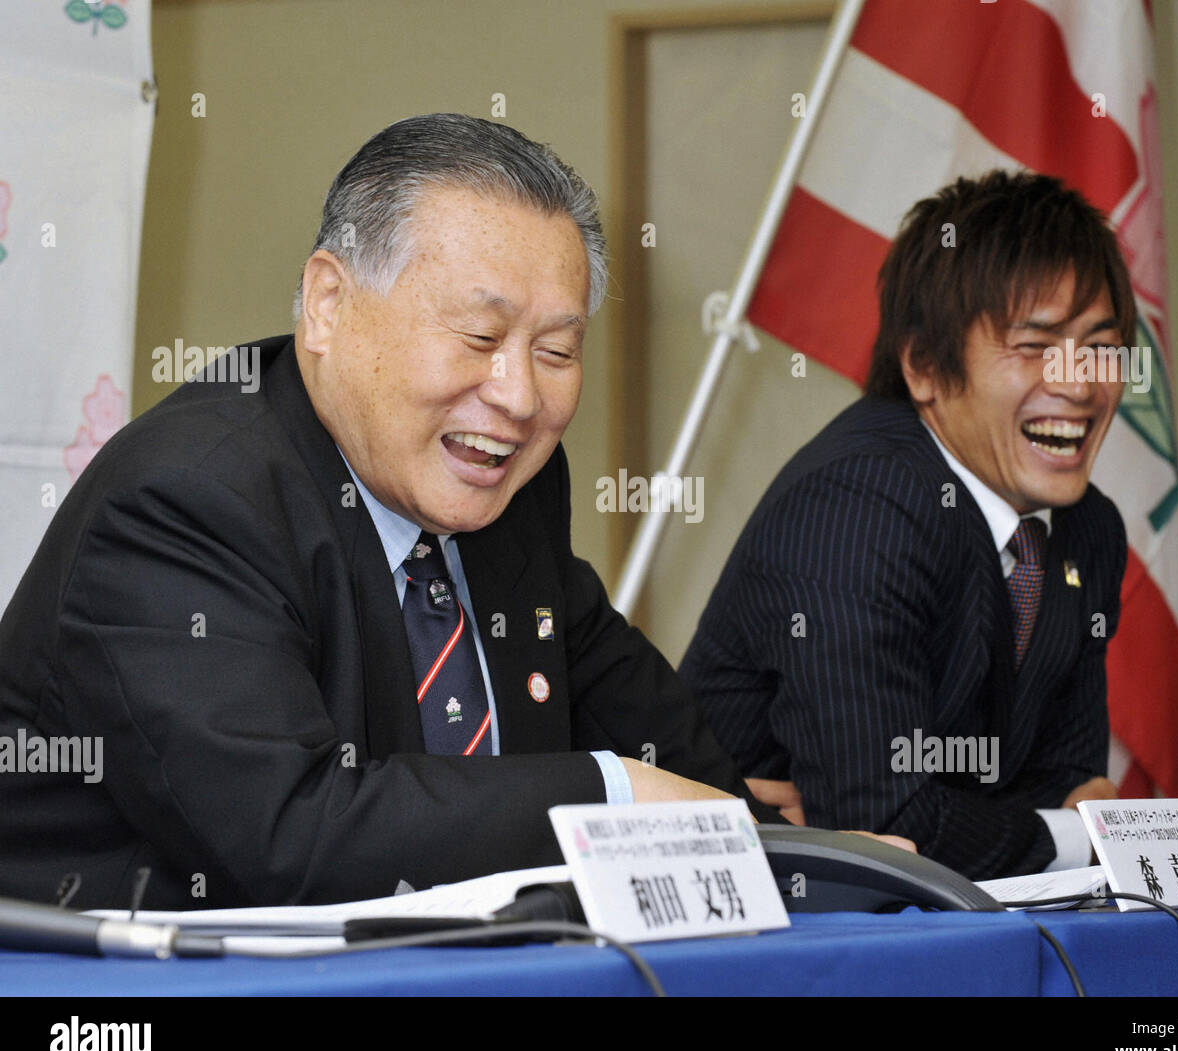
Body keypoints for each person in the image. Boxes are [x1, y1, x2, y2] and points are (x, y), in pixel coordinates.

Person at [0, 114, 788, 911]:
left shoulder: (498, 478)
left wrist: (809, 860)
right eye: (479, 334)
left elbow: (632, 711)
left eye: (555, 351)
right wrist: (611, 793)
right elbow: (293, 833)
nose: (517, 396)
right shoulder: (185, 501)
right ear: (330, 304)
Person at [679, 171, 1133, 880]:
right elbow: (885, 829)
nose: (1079, 383)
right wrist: (1076, 842)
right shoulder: (860, 501)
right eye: (1035, 346)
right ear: (924, 366)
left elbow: (1069, 781)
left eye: (1102, 346)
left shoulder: (1087, 529)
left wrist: (1041, 817)